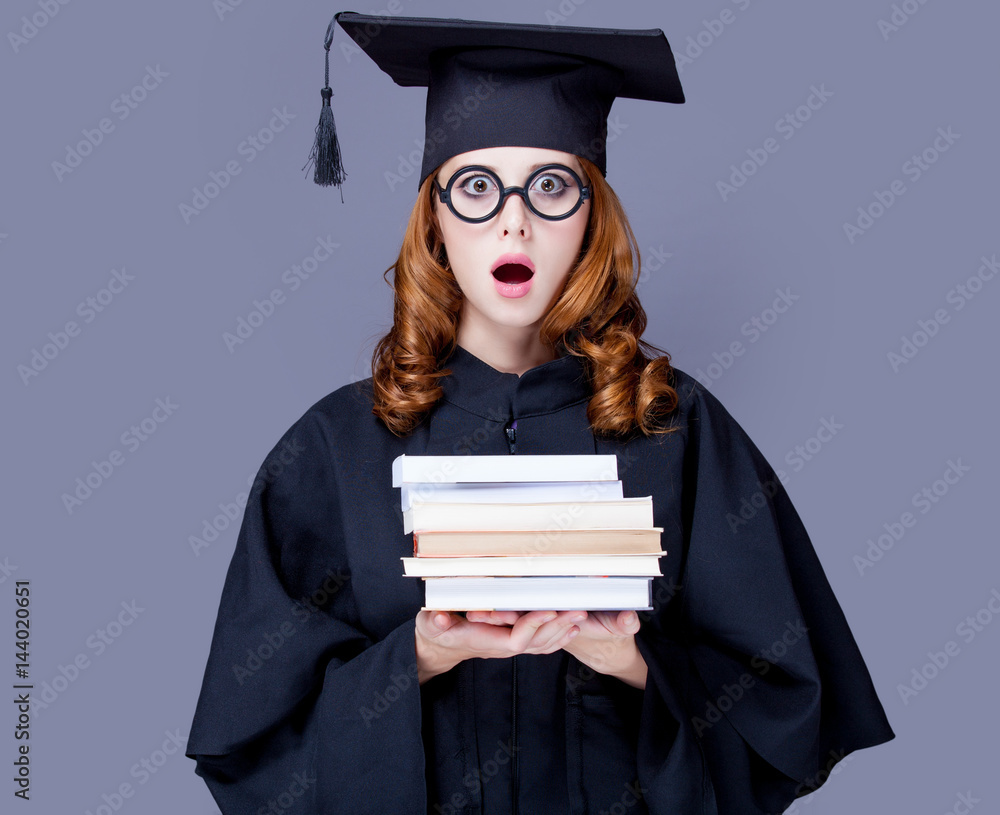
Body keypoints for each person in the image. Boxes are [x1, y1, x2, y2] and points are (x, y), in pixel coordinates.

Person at [186, 12, 894, 815]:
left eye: (551, 186)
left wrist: (633, 661)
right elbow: (255, 746)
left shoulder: (676, 428)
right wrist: (418, 656)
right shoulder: (334, 450)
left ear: (593, 215)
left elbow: (788, 711)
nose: (513, 221)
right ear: (433, 217)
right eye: (476, 187)